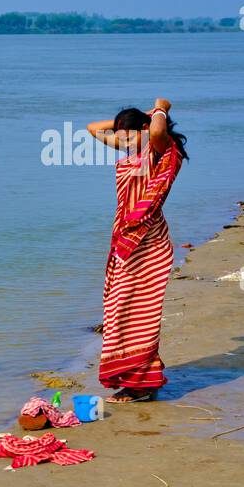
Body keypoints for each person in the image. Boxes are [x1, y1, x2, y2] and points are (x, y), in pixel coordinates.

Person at [87, 98, 189, 402]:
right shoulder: (132, 150)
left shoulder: (159, 150)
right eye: (120, 135)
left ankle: (141, 385)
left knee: (137, 310)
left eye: (127, 133)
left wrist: (160, 108)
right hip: (125, 240)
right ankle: (139, 379)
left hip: (147, 241)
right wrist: (128, 123)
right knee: (119, 310)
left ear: (146, 130)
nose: (121, 139)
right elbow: (92, 129)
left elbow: (158, 131)